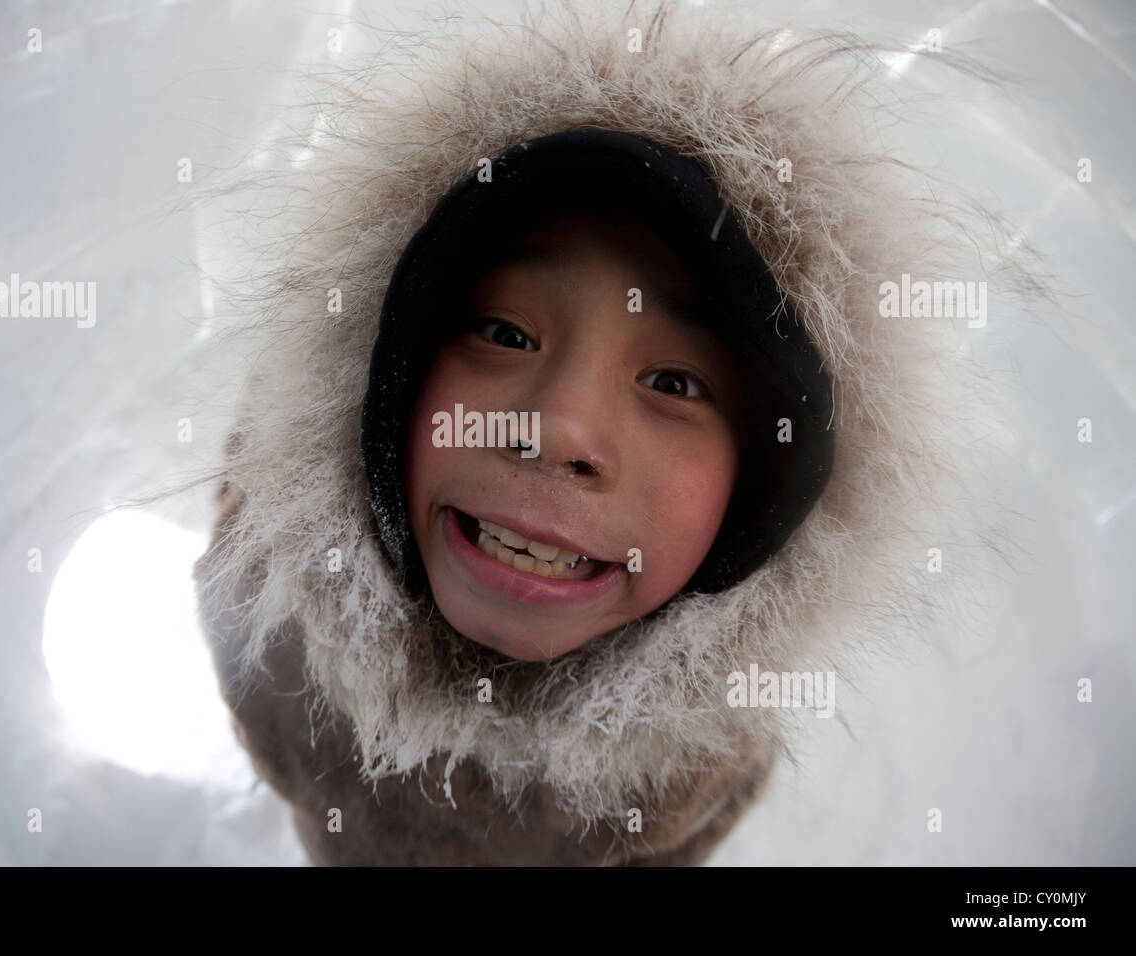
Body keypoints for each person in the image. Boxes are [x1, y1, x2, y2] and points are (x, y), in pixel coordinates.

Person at [194, 1, 1012, 865]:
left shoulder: (699, 761)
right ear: (383, 368)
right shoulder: (265, 590)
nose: (555, 432)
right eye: (503, 333)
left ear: (766, 496)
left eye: (672, 383)